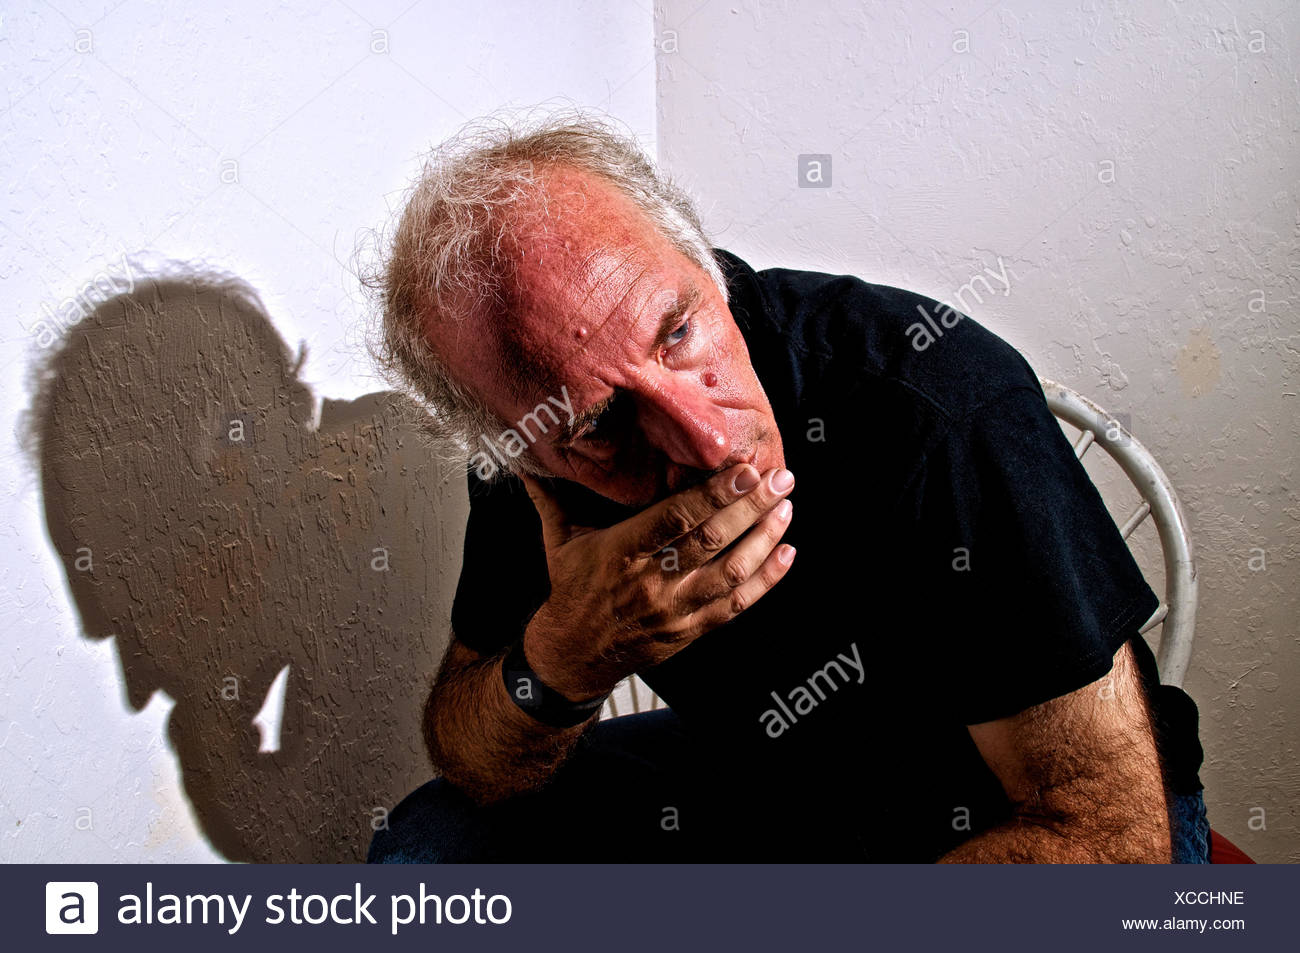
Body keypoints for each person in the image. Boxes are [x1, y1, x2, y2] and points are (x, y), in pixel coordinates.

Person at [365, 111, 1208, 863]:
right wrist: (563, 661)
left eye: (679, 332)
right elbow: (472, 757)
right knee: (430, 849)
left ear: (707, 264)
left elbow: (1111, 840)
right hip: (762, 780)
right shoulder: (530, 461)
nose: (710, 440)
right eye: (602, 425)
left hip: (1004, 817)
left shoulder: (938, 406)